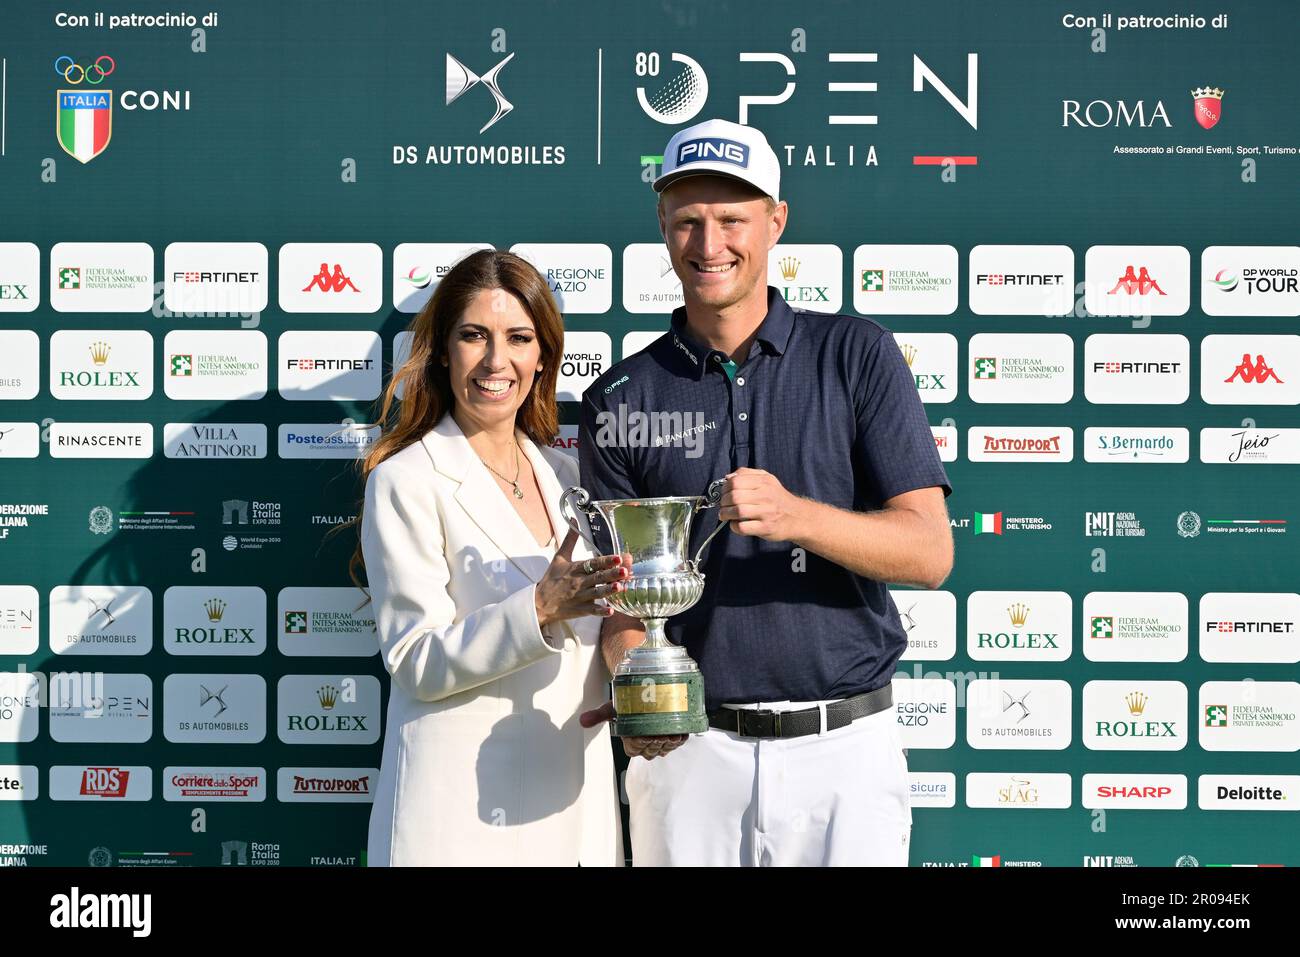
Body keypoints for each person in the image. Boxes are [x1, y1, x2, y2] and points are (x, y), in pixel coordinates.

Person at [578, 119, 953, 866]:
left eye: (731, 219)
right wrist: (636, 687)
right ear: (662, 225)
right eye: (688, 220)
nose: (709, 244)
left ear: (776, 221)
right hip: (690, 755)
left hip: (844, 747)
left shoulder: (858, 355)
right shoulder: (619, 395)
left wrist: (798, 517)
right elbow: (622, 604)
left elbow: (929, 550)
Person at [354, 249, 628, 866]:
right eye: (474, 335)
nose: (495, 360)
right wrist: (537, 608)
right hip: (457, 821)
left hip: (573, 811)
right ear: (444, 351)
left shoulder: (572, 478)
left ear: (542, 356)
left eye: (518, 338)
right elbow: (415, 660)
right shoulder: (406, 480)